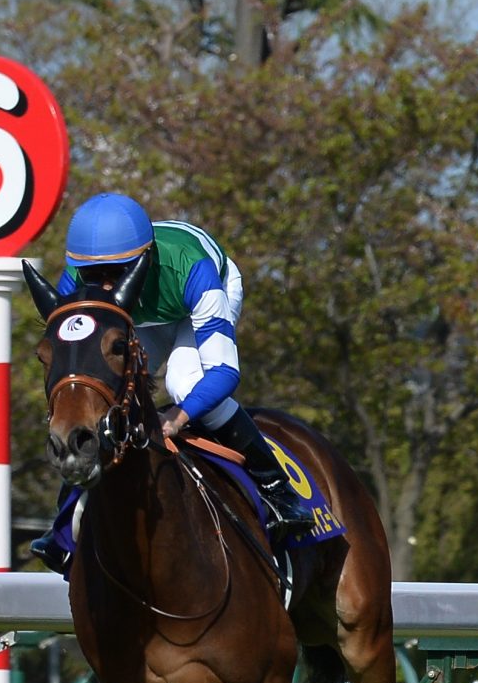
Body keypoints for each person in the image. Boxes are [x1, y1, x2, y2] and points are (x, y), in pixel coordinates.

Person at [29, 193, 310, 569]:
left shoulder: (193, 269)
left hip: (198, 299)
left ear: (143, 261)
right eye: (94, 276)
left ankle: (276, 486)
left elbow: (225, 372)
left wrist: (177, 418)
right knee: (100, 395)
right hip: (142, 319)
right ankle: (63, 522)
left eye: (118, 273)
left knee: (184, 380)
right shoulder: (75, 280)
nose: (105, 286)